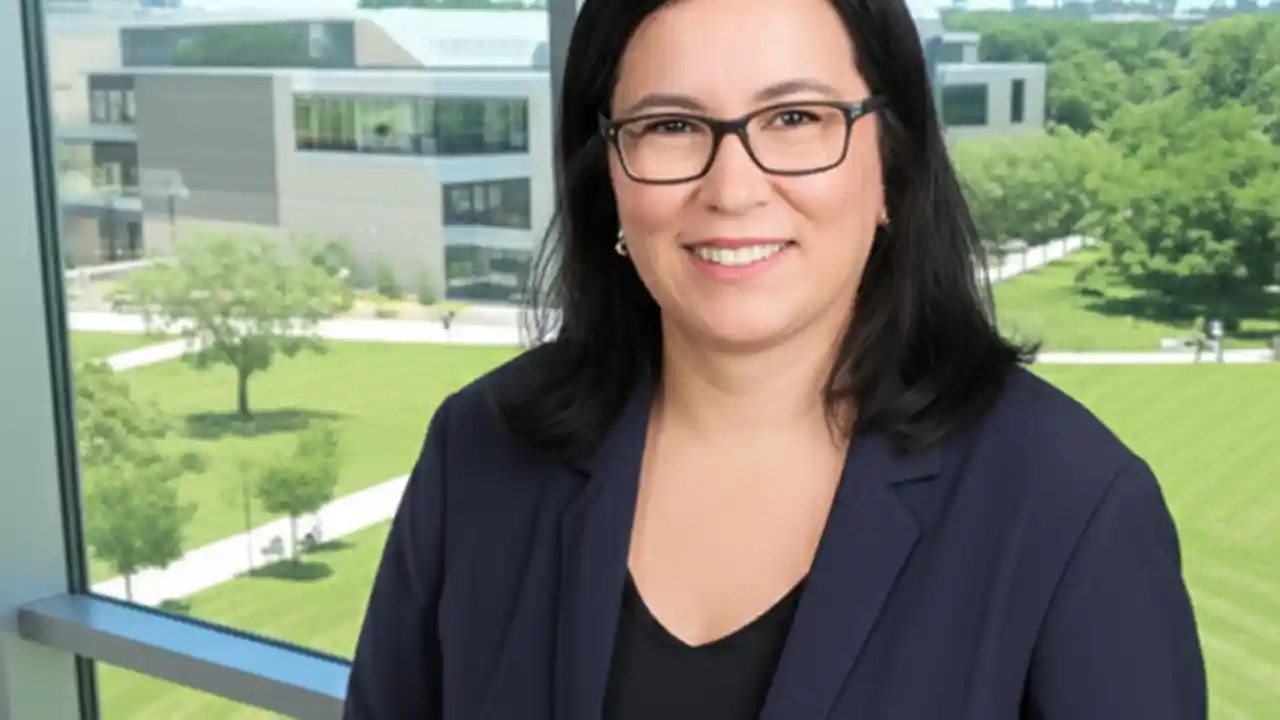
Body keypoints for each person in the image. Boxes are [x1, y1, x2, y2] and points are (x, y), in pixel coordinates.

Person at [343, 0, 1206, 718]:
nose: (732, 188)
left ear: (892, 161)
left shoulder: (1071, 504)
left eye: (795, 119)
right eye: (671, 125)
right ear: (607, 172)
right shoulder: (479, 449)